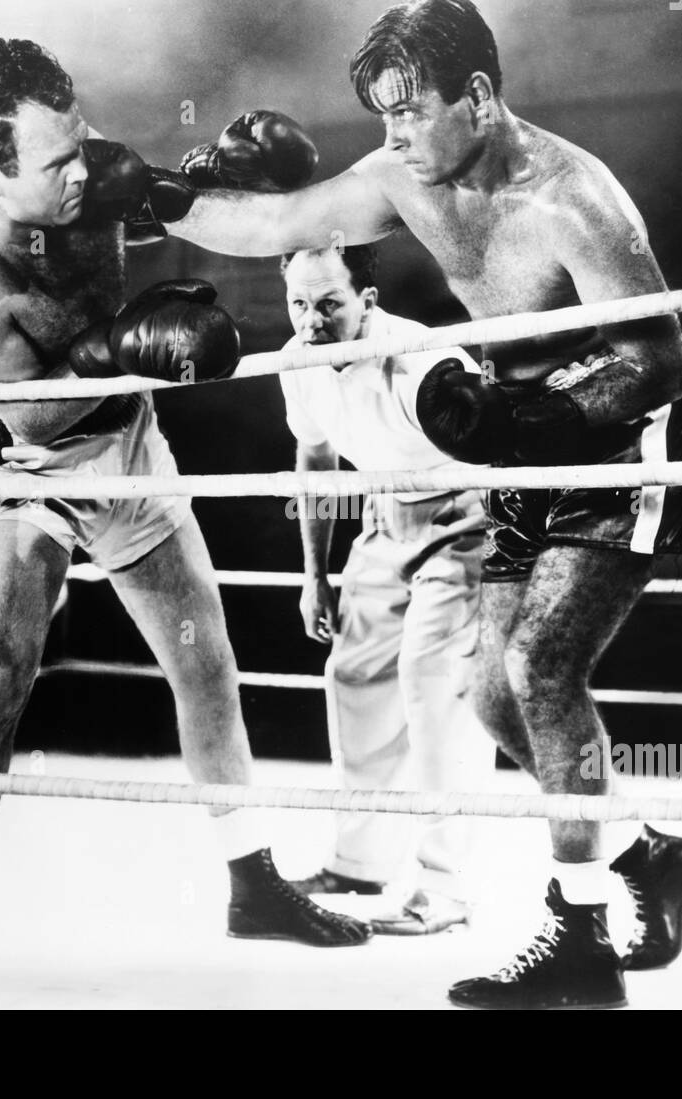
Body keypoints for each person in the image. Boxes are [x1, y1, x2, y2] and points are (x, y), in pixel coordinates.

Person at [163, 0, 682, 1008]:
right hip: (520, 443)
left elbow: (659, 362)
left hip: (618, 441)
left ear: (479, 96)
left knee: (540, 669)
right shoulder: (397, 178)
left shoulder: (572, 204)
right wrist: (145, 195)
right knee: (491, 695)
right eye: (380, 117)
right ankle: (650, 856)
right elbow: (277, 222)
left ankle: (580, 943)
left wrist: (527, 427)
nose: (393, 137)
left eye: (409, 112)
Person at [0, 38, 370, 1004]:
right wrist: (128, 345)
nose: (82, 167)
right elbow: (32, 410)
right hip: (29, 458)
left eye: (80, 142)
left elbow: (136, 220)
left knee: (206, 659)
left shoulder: (86, 164)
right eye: (55, 160)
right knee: (1, 671)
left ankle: (253, 883)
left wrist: (205, 187)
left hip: (131, 444)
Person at [277, 243, 497, 934]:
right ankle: (359, 861)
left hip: (458, 519)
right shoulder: (296, 360)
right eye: (299, 303)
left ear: (368, 301)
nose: (312, 320)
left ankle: (447, 889)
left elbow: (502, 440)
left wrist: (489, 509)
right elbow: (314, 461)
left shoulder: (427, 358)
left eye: (330, 303)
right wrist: (315, 574)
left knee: (436, 690)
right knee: (353, 679)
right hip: (380, 520)